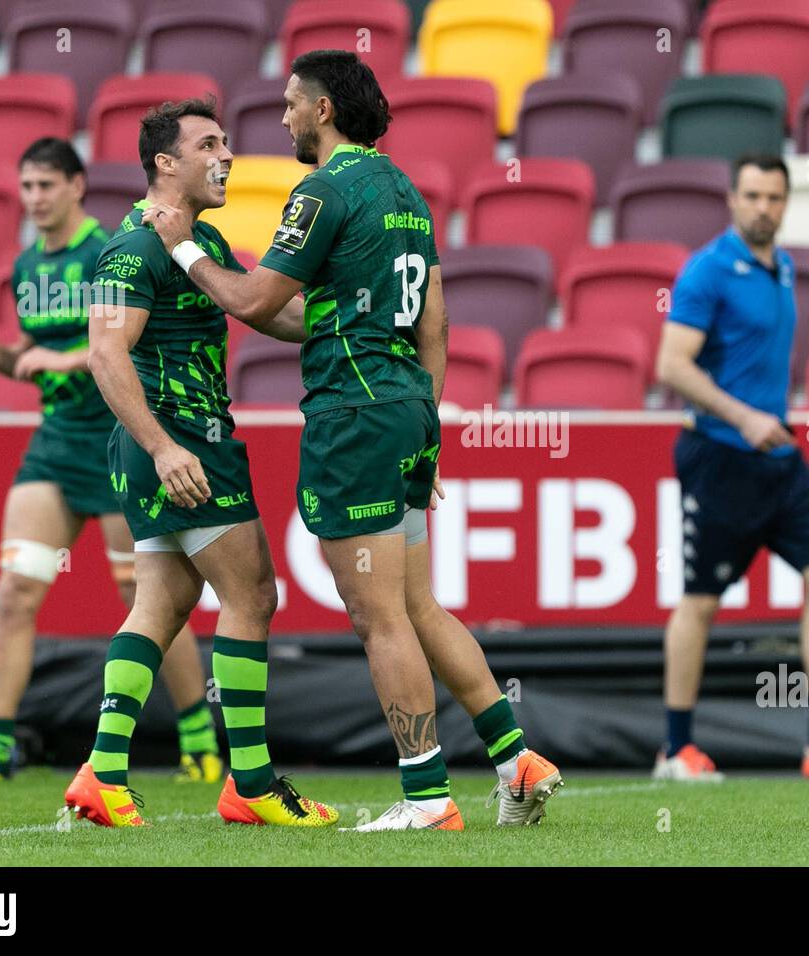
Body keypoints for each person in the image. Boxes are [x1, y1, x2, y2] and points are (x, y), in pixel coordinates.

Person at [142, 50, 563, 830]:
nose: (283, 118)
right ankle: (517, 761)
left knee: (379, 618)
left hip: (353, 415)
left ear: (325, 109)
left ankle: (427, 798)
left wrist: (185, 248)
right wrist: (429, 428)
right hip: (406, 407)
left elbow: (257, 296)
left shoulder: (322, 189)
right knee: (420, 604)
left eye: (292, 104)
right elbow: (434, 323)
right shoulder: (406, 190)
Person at [63, 99, 338, 827]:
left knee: (162, 604)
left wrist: (352, 313)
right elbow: (104, 352)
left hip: (170, 443)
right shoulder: (133, 247)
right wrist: (164, 446)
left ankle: (103, 774)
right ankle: (250, 783)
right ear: (165, 163)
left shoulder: (199, 237)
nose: (227, 155)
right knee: (253, 596)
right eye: (208, 144)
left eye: (226, 142)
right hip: (180, 442)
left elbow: (268, 313)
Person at [0, 138, 220, 786]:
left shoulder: (105, 250)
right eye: (26, 187)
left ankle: (199, 738)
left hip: (117, 439)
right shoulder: (28, 266)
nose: (34, 199)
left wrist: (58, 359)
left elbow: (112, 346)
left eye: (46, 186)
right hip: (55, 445)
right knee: (14, 591)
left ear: (77, 187)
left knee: (147, 595)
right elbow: (31, 356)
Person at [653, 155, 809, 781]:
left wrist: (769, 419)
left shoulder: (784, 266)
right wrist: (746, 416)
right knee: (700, 602)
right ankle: (676, 750)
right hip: (720, 457)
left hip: (779, 461)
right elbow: (672, 366)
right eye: (753, 195)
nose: (764, 207)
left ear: (786, 204)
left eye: (775, 197)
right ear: (732, 199)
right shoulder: (707, 270)